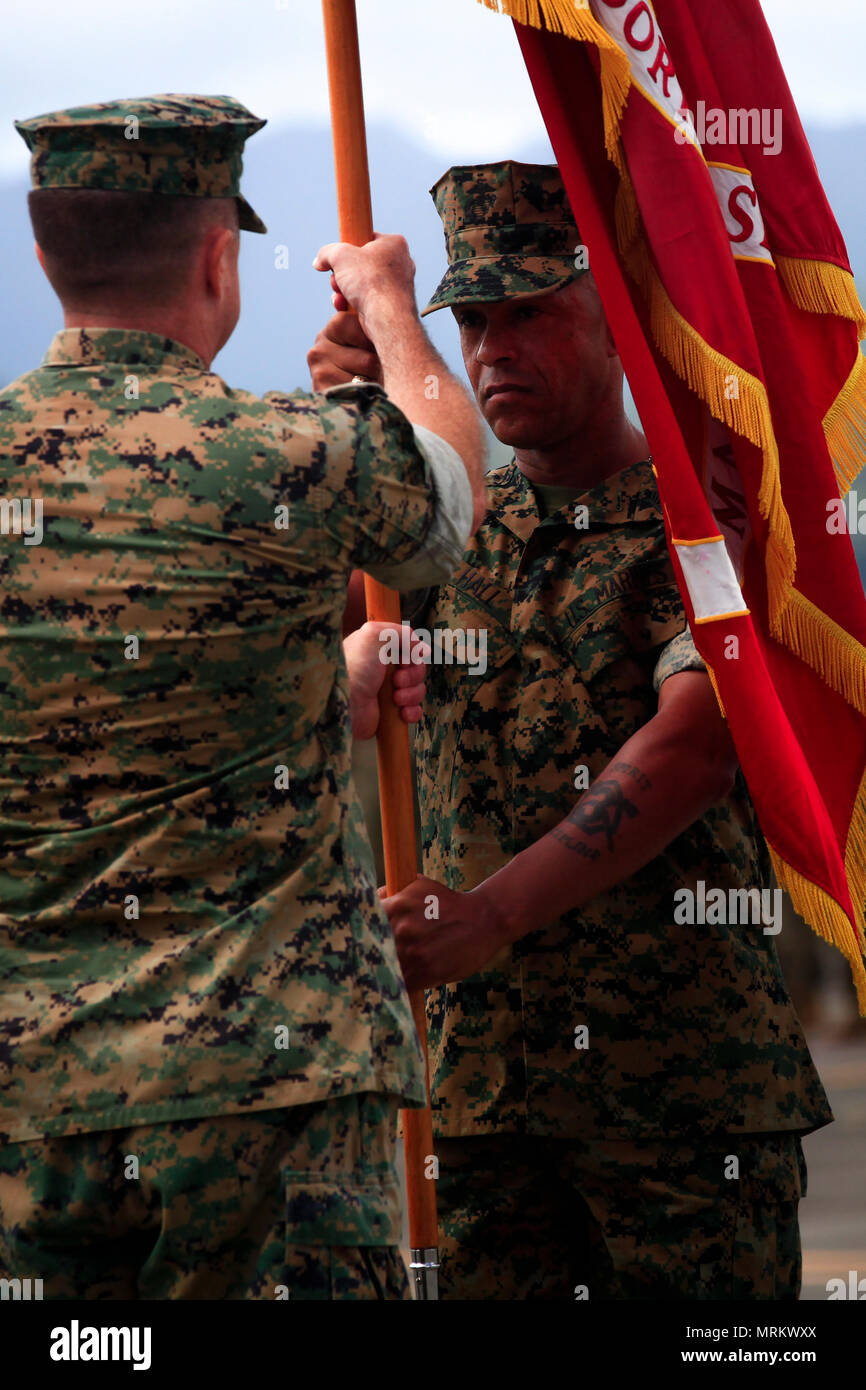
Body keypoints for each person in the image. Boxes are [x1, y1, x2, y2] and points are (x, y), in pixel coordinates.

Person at [310, 160, 833, 1301]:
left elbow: (694, 748)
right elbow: (299, 645)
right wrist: (352, 417)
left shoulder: (704, 524)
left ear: (619, 327)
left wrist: (489, 913)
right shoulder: (440, 539)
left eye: (533, 313)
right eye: (475, 320)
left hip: (683, 1100)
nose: (495, 348)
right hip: (484, 1099)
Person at [0, 95, 485, 1301]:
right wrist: (388, 309)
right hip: (267, 1095)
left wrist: (323, 697)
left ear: (44, 244)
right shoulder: (291, 453)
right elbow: (452, 498)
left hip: (30, 1103)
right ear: (221, 258)